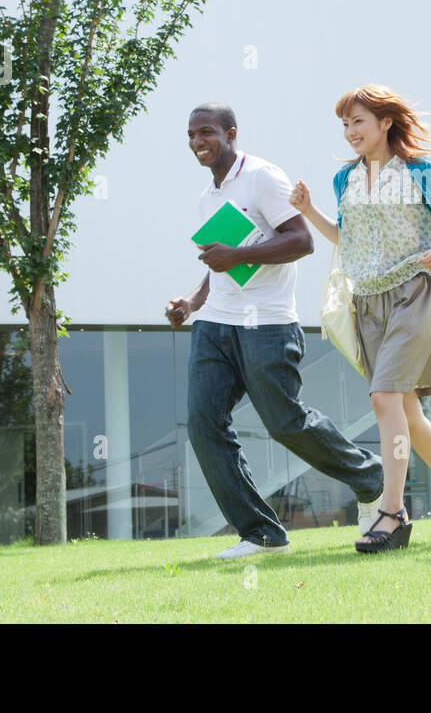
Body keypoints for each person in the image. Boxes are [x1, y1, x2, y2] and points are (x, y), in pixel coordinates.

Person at [166, 103, 386, 560]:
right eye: (190, 135)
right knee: (204, 424)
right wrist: (191, 301)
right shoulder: (206, 197)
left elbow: (302, 240)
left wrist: (237, 257)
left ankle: (372, 477)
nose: (197, 142)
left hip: (266, 324)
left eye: (206, 132)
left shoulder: (263, 177)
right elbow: (221, 262)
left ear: (230, 133)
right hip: (215, 324)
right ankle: (260, 533)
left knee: (285, 422)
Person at [290, 85, 431, 553]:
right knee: (407, 413)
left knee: (383, 399)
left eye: (358, 121)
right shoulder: (345, 179)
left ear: (384, 123)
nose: (350, 132)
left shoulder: (426, 172)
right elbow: (347, 239)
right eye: (345, 124)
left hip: (414, 294)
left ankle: (392, 513)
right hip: (367, 304)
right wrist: (308, 211)